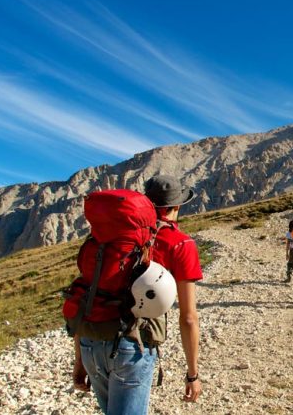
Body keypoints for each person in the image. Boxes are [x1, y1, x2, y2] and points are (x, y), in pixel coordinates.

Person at [73, 175, 203, 412]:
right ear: (177, 207)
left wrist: (80, 359)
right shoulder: (180, 243)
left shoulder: (110, 238)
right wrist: (192, 375)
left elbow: (87, 293)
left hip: (90, 341)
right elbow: (188, 317)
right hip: (131, 346)